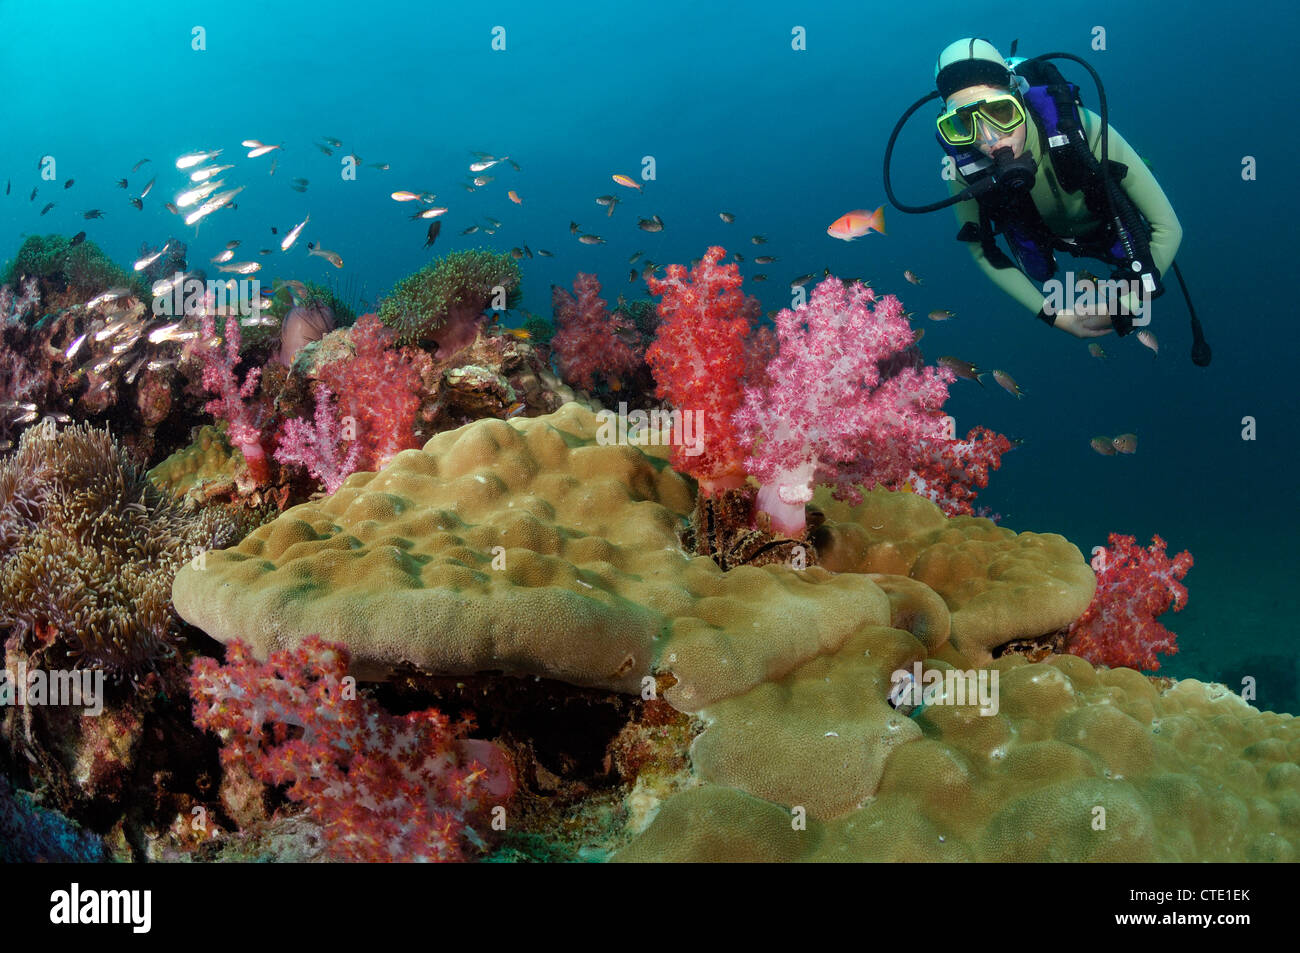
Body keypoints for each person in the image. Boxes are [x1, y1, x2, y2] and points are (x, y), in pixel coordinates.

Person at [933, 38, 1182, 338]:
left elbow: (1168, 227)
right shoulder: (964, 170)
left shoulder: (1083, 129)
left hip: (1108, 229)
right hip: (1048, 240)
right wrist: (1054, 316)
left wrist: (1128, 302)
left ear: (1019, 99)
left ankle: (1138, 163)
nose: (989, 138)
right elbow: (982, 250)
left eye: (1001, 112)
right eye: (962, 124)